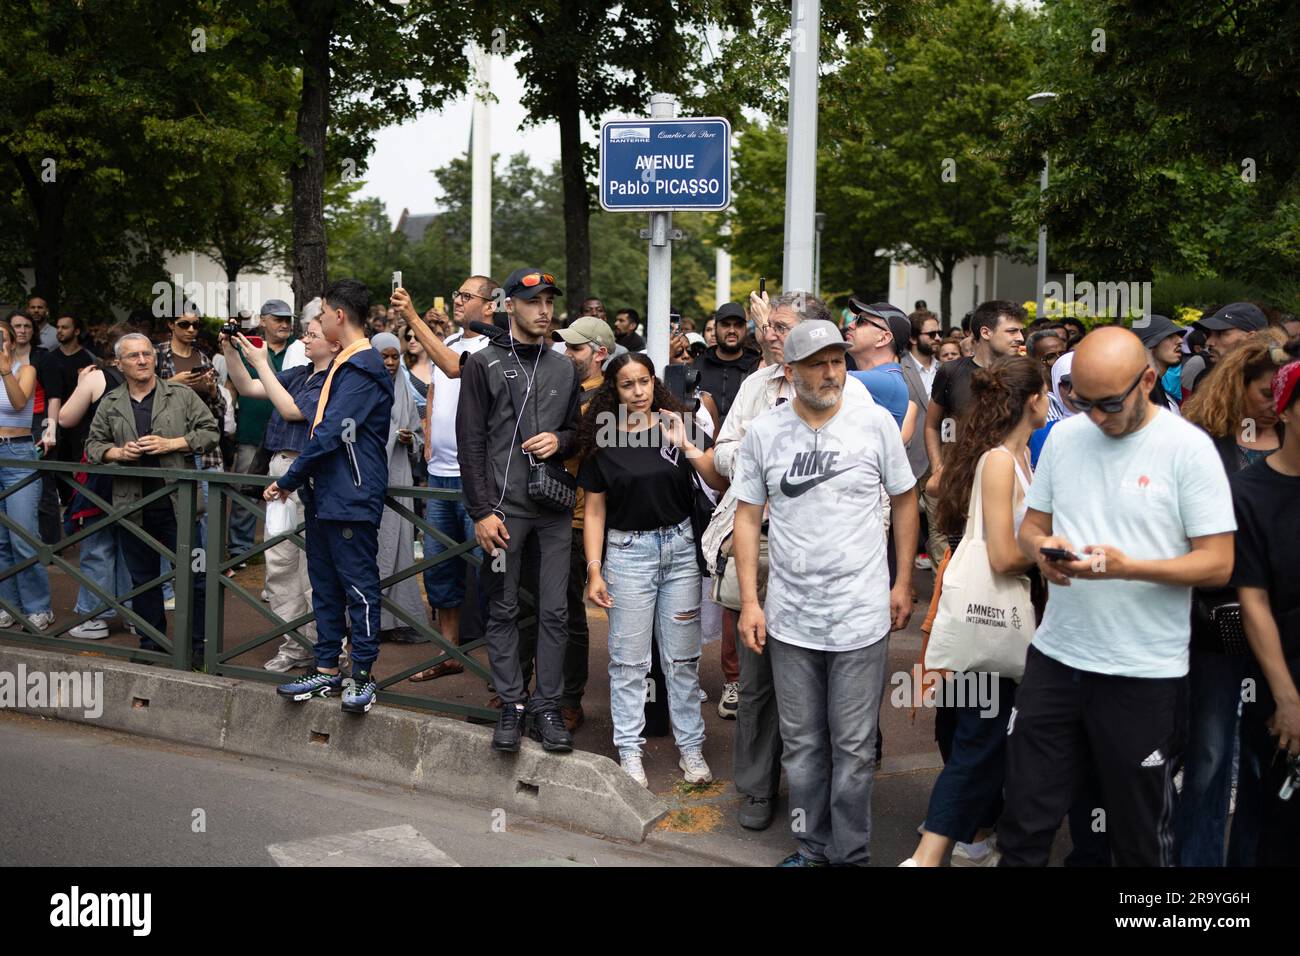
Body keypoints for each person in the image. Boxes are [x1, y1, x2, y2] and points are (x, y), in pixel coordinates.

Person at [999, 327, 1236, 866]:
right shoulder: (1064, 437)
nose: (1097, 418)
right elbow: (1031, 527)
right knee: (1026, 816)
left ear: (1148, 380)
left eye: (1110, 404)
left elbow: (1219, 563)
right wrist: (1042, 550)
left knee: (1139, 832)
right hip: (1057, 658)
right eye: (1082, 403)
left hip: (1144, 672)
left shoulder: (1188, 449)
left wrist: (1131, 568)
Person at [732, 319, 918, 866]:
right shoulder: (766, 432)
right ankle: (812, 849)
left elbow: (905, 499)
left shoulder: (874, 425)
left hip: (861, 616)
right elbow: (747, 518)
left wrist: (903, 581)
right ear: (789, 372)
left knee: (855, 749)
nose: (831, 371)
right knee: (804, 746)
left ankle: (852, 856)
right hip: (791, 618)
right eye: (817, 362)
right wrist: (749, 601)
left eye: (837, 359)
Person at [702, 290, 879, 832]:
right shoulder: (758, 386)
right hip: (762, 546)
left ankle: (827, 805)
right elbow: (723, 451)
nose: (769, 333)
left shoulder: (857, 395)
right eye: (770, 325)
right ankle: (756, 790)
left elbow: (879, 485)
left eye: (781, 326)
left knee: (829, 686)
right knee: (757, 684)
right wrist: (766, 447)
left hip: (832, 557)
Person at [900, 356, 1048, 867]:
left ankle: (953, 839)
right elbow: (1004, 555)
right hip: (991, 625)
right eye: (1046, 391)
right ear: (1032, 399)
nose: (1050, 400)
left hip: (983, 627)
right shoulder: (1001, 460)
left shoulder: (1012, 454)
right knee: (978, 746)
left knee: (975, 740)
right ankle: (930, 852)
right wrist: (1055, 550)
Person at [580, 352, 727, 786]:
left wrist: (685, 444)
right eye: (628, 384)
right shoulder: (603, 440)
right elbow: (593, 512)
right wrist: (594, 569)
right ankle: (629, 750)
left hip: (681, 549)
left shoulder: (677, 424)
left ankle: (692, 749)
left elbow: (719, 481)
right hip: (627, 554)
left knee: (682, 658)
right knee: (628, 662)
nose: (639, 392)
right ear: (615, 390)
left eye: (644, 381)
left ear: (654, 383)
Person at [456, 267, 581, 753]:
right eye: (533, 302)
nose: (544, 310)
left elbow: (576, 431)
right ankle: (511, 703)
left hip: (552, 511)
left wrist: (561, 438)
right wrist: (481, 511)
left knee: (554, 611)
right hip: (503, 513)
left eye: (549, 301)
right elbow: (469, 444)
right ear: (510, 306)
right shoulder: (481, 363)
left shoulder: (565, 367)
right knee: (504, 608)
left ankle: (547, 707)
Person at [1175, 330, 1286, 865]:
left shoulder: (1291, 445)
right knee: (1210, 757)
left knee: (1269, 762)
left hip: (1280, 630)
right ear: (1235, 388)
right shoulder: (1205, 446)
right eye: (1267, 391)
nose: (1275, 402)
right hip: (1216, 628)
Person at [266, 279, 395, 715]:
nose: (316, 323)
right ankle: (325, 670)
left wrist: (288, 479)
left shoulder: (363, 366)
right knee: (324, 585)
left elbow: (329, 435)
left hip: (350, 494)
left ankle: (362, 676)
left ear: (339, 316)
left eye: (321, 315)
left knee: (357, 588)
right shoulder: (346, 363)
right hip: (326, 493)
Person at [86, 332, 219, 662]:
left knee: (195, 577)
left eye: (147, 354)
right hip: (132, 504)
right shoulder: (111, 401)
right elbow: (92, 446)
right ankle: (152, 646)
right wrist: (117, 452)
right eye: (134, 356)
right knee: (143, 580)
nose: (143, 360)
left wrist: (171, 444)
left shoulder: (180, 394)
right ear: (119, 363)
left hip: (179, 503)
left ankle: (198, 648)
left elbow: (210, 432)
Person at [223, 302, 339, 672]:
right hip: (280, 472)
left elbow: (291, 411)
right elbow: (247, 386)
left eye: (313, 334)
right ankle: (295, 644)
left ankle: (329, 647)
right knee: (280, 564)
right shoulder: (300, 372)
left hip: (311, 475)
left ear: (335, 343)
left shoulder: (335, 379)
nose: (304, 337)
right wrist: (230, 349)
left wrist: (260, 362)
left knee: (313, 569)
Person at [399, 275, 499, 683]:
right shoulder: (452, 344)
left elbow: (452, 370)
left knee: (489, 572)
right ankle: (450, 653)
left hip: (476, 479)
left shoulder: (495, 347)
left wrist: (410, 315)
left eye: (466, 295)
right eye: (456, 293)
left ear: (491, 305)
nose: (458, 300)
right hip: (438, 475)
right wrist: (427, 434)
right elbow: (437, 391)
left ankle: (500, 666)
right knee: (440, 569)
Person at [1230, 347, 1300, 864]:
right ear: (1287, 409)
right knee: (1274, 818)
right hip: (1281, 676)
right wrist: (1287, 698)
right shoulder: (1249, 492)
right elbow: (1252, 599)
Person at [549, 316, 614, 730]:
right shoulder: (563, 386)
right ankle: (543, 694)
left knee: (572, 614)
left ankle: (571, 700)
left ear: (600, 353)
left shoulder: (607, 398)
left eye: (575, 348)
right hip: (550, 511)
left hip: (579, 517)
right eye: (566, 347)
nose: (567, 354)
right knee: (546, 609)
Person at [925, 300, 1026, 562]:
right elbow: (932, 425)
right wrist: (938, 467)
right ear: (985, 332)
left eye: (1020, 331)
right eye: (1012, 331)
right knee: (962, 563)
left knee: (1002, 560)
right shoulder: (951, 372)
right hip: (961, 491)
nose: (1020, 337)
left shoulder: (1020, 376)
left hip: (1007, 488)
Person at [57, 338, 131, 640]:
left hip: (100, 471)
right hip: (140, 469)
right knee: (134, 547)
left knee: (98, 546)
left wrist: (81, 385)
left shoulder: (96, 376)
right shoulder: (154, 381)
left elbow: (65, 418)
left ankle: (94, 616)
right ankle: (137, 616)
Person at [227, 299, 296, 563]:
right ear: (263, 320)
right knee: (246, 490)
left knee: (285, 493)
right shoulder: (248, 345)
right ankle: (239, 550)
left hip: (286, 436)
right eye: (278, 318)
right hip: (252, 432)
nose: (284, 324)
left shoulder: (299, 349)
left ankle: (285, 546)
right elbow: (234, 384)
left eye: (288, 319)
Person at [368, 331, 427, 641]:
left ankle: (398, 621)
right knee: (372, 548)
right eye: (384, 356)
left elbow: (418, 433)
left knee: (400, 545)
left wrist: (410, 439)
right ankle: (368, 622)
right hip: (368, 480)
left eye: (395, 356)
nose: (390, 362)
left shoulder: (404, 387)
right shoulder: (361, 386)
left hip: (399, 475)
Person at [0, 318, 55, 631]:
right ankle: (8, 605)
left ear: (11, 342)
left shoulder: (26, 369)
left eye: (2, 338)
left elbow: (20, 401)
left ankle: (38, 608)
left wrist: (5, 368)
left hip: (18, 452)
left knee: (22, 536)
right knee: (0, 542)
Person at [844, 300, 917, 437]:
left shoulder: (886, 381)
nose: (850, 325)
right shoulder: (887, 377)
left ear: (883, 338)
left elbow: (815, 379)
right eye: (855, 318)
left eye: (861, 321)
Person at [693, 303, 760, 425]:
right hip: (702, 441)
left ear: (746, 328)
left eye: (738, 325)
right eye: (725, 325)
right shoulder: (696, 365)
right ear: (715, 328)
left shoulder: (757, 366)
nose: (732, 331)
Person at [1183, 302, 1267, 399]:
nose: (1208, 342)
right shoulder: (1204, 378)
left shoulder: (1272, 381)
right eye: (1209, 334)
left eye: (1221, 333)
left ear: (1251, 338)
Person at [1136, 315, 1184, 413]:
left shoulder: (1156, 388)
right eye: (1169, 336)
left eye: (1179, 336)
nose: (1180, 341)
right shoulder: (1144, 391)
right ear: (1150, 344)